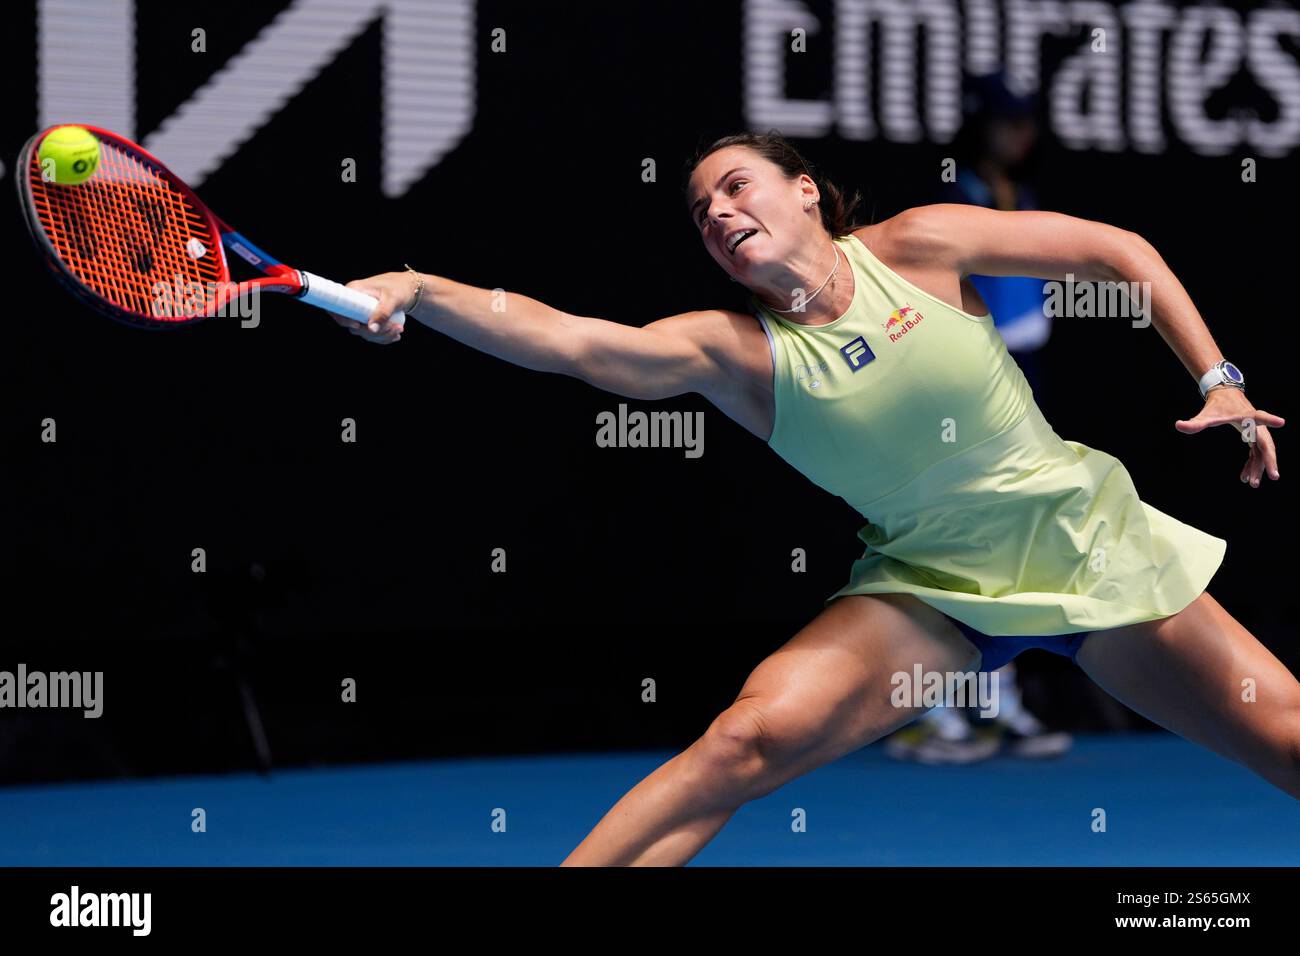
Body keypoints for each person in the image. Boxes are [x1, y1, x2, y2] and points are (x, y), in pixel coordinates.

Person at [331, 131, 1291, 866]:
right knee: (745, 741)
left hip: (1084, 541)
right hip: (932, 589)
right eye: (700, 209)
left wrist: (1219, 378)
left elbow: (1120, 252)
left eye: (734, 186)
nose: (716, 212)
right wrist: (421, 287)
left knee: (1283, 741)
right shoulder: (734, 353)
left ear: (804, 193)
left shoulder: (917, 244)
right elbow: (570, 341)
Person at [886, 72, 1071, 764]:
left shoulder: (1020, 198)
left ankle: (998, 703)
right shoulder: (949, 200)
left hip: (1024, 385)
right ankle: (929, 710)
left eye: (1027, 123)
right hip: (962, 391)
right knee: (944, 540)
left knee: (1012, 542)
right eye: (1007, 122)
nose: (1022, 135)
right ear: (980, 126)